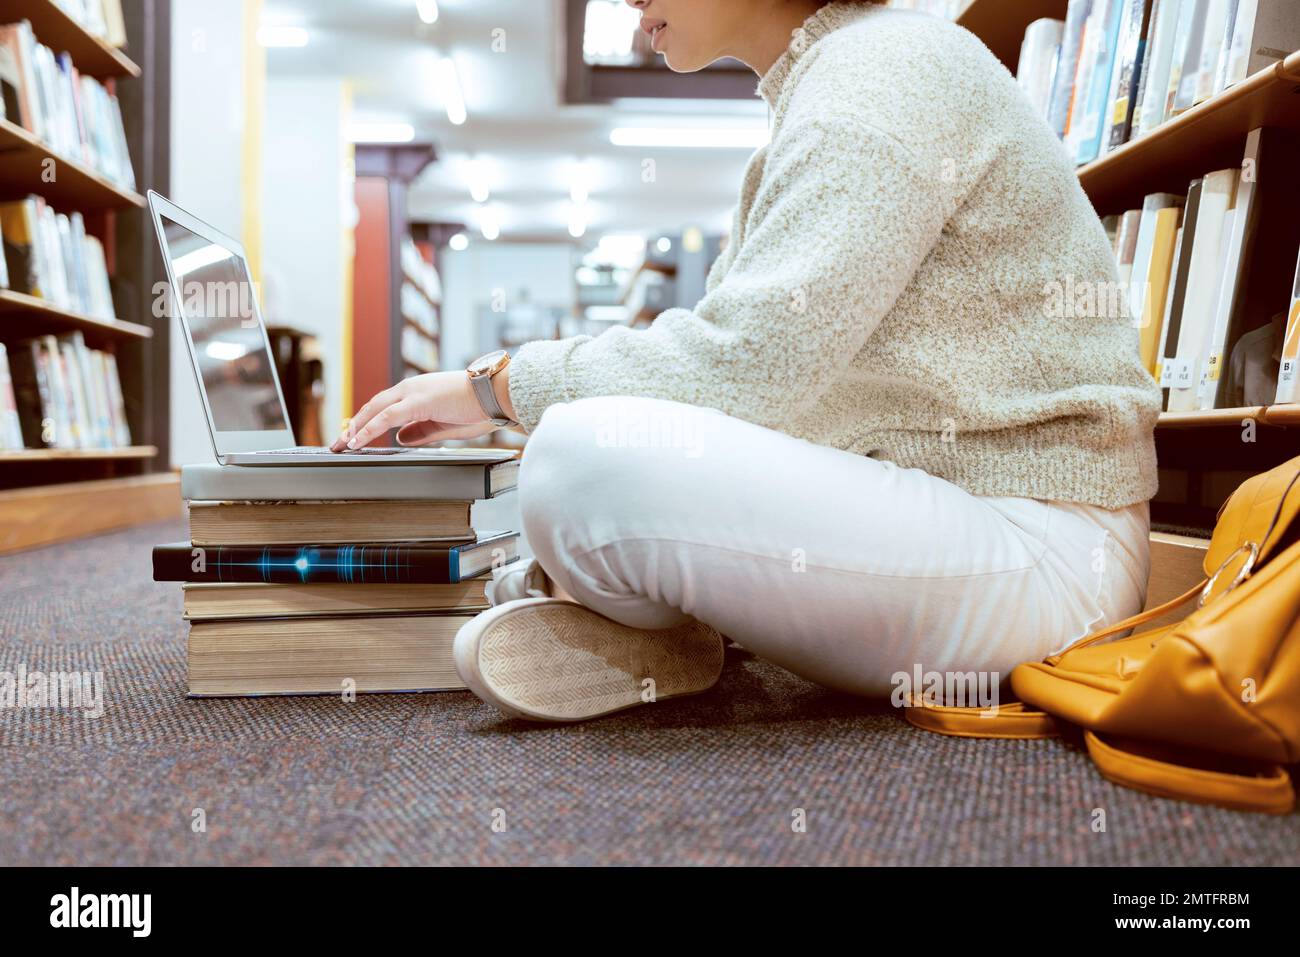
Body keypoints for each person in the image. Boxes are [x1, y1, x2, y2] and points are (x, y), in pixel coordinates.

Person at [335, 0, 1161, 723]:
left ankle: (658, 620)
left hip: (1045, 560)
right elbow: (746, 380)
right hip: (966, 523)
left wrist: (498, 386)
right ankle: (664, 619)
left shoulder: (878, 75)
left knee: (576, 460)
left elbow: (748, 365)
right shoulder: (835, 79)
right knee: (580, 473)